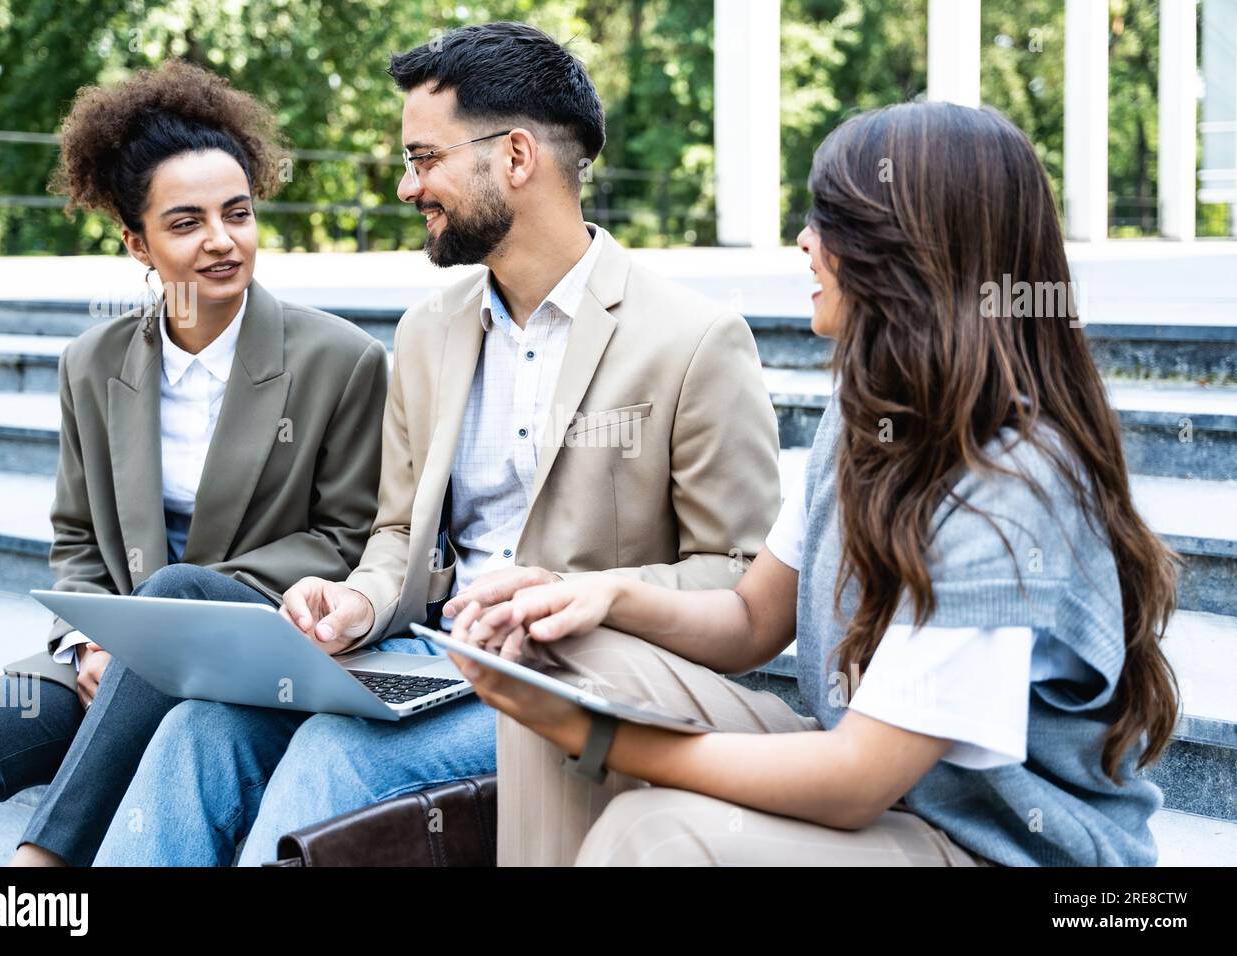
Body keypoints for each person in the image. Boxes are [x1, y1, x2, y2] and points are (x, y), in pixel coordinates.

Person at [92, 21, 782, 867]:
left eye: (425, 158)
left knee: (333, 754)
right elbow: (393, 538)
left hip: (573, 686)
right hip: (427, 659)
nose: (408, 187)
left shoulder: (696, 339)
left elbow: (743, 583)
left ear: (516, 157)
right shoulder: (428, 332)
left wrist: (582, 592)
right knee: (204, 727)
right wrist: (357, 602)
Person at [450, 101, 1181, 867]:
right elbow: (749, 620)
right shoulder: (867, 415)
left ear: (904, 249)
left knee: (656, 834)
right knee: (552, 656)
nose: (804, 240)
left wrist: (606, 740)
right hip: (889, 790)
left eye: (827, 218)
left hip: (991, 846)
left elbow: (856, 781)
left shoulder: (1013, 489)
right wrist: (602, 594)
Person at [0, 60, 387, 867]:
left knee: (174, 594)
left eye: (238, 213)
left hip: (254, 652)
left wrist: (164, 625)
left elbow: (350, 537)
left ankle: (39, 873)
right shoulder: (91, 363)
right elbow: (77, 540)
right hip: (109, 663)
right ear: (136, 243)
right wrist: (92, 645)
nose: (222, 240)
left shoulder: (341, 360)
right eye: (186, 223)